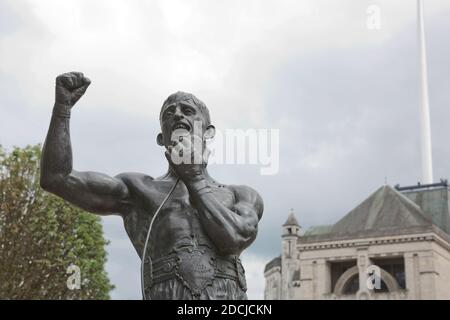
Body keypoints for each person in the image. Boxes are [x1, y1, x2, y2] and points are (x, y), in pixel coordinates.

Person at [40, 72, 264, 299]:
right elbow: (57, 178)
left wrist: (194, 178)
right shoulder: (138, 190)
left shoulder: (240, 195)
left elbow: (234, 240)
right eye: (169, 113)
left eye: (187, 110)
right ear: (161, 138)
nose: (177, 114)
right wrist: (62, 109)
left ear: (208, 131)